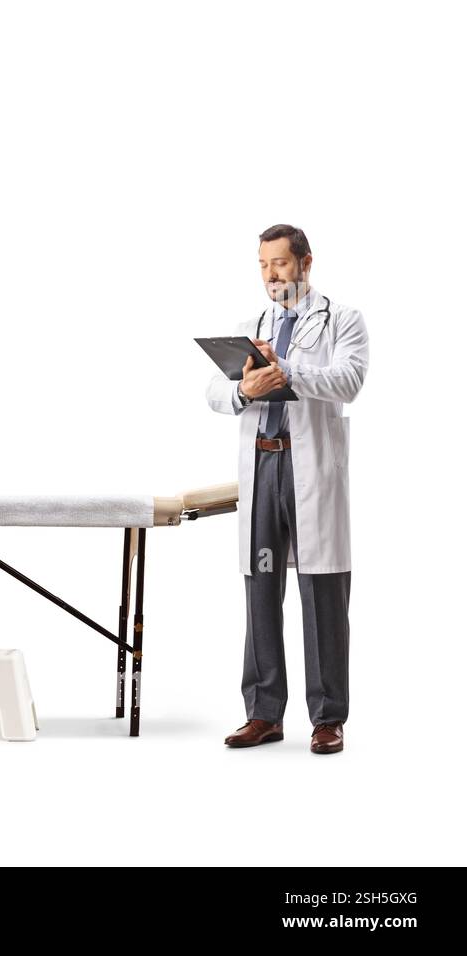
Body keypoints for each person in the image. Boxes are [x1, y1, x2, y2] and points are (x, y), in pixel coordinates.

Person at [205, 224, 369, 755]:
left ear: (305, 262)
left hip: (311, 468)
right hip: (262, 466)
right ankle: (263, 713)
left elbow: (348, 380)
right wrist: (242, 387)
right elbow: (214, 390)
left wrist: (286, 370)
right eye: (263, 264)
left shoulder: (342, 319)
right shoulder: (251, 324)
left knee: (321, 591)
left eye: (279, 263)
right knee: (261, 588)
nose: (271, 274)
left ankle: (327, 717)